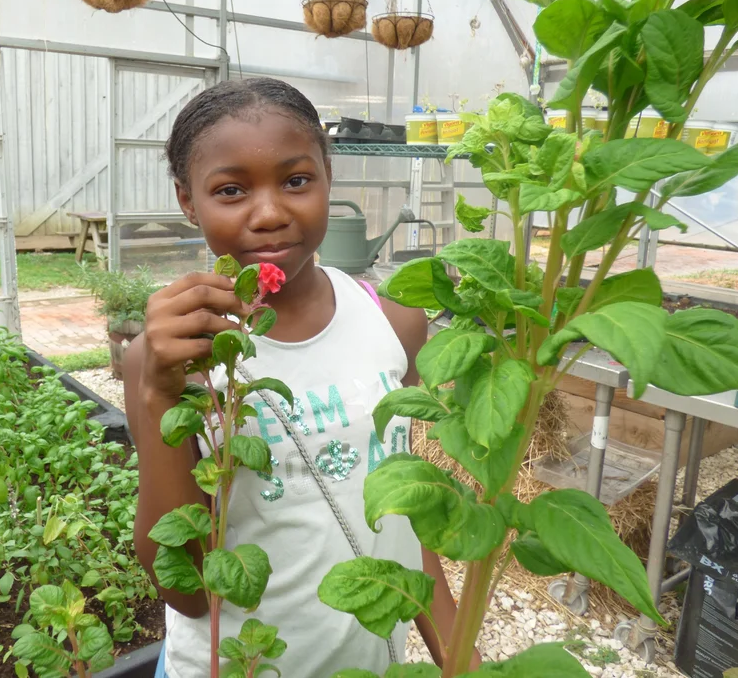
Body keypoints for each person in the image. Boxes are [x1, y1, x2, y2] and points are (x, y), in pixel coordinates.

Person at [123, 78, 477, 677]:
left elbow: (399, 511)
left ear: (328, 176)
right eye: (230, 190)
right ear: (188, 201)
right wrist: (159, 394)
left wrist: (457, 656)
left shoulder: (393, 321)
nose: (270, 213)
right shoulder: (172, 357)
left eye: (295, 180)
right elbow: (185, 591)